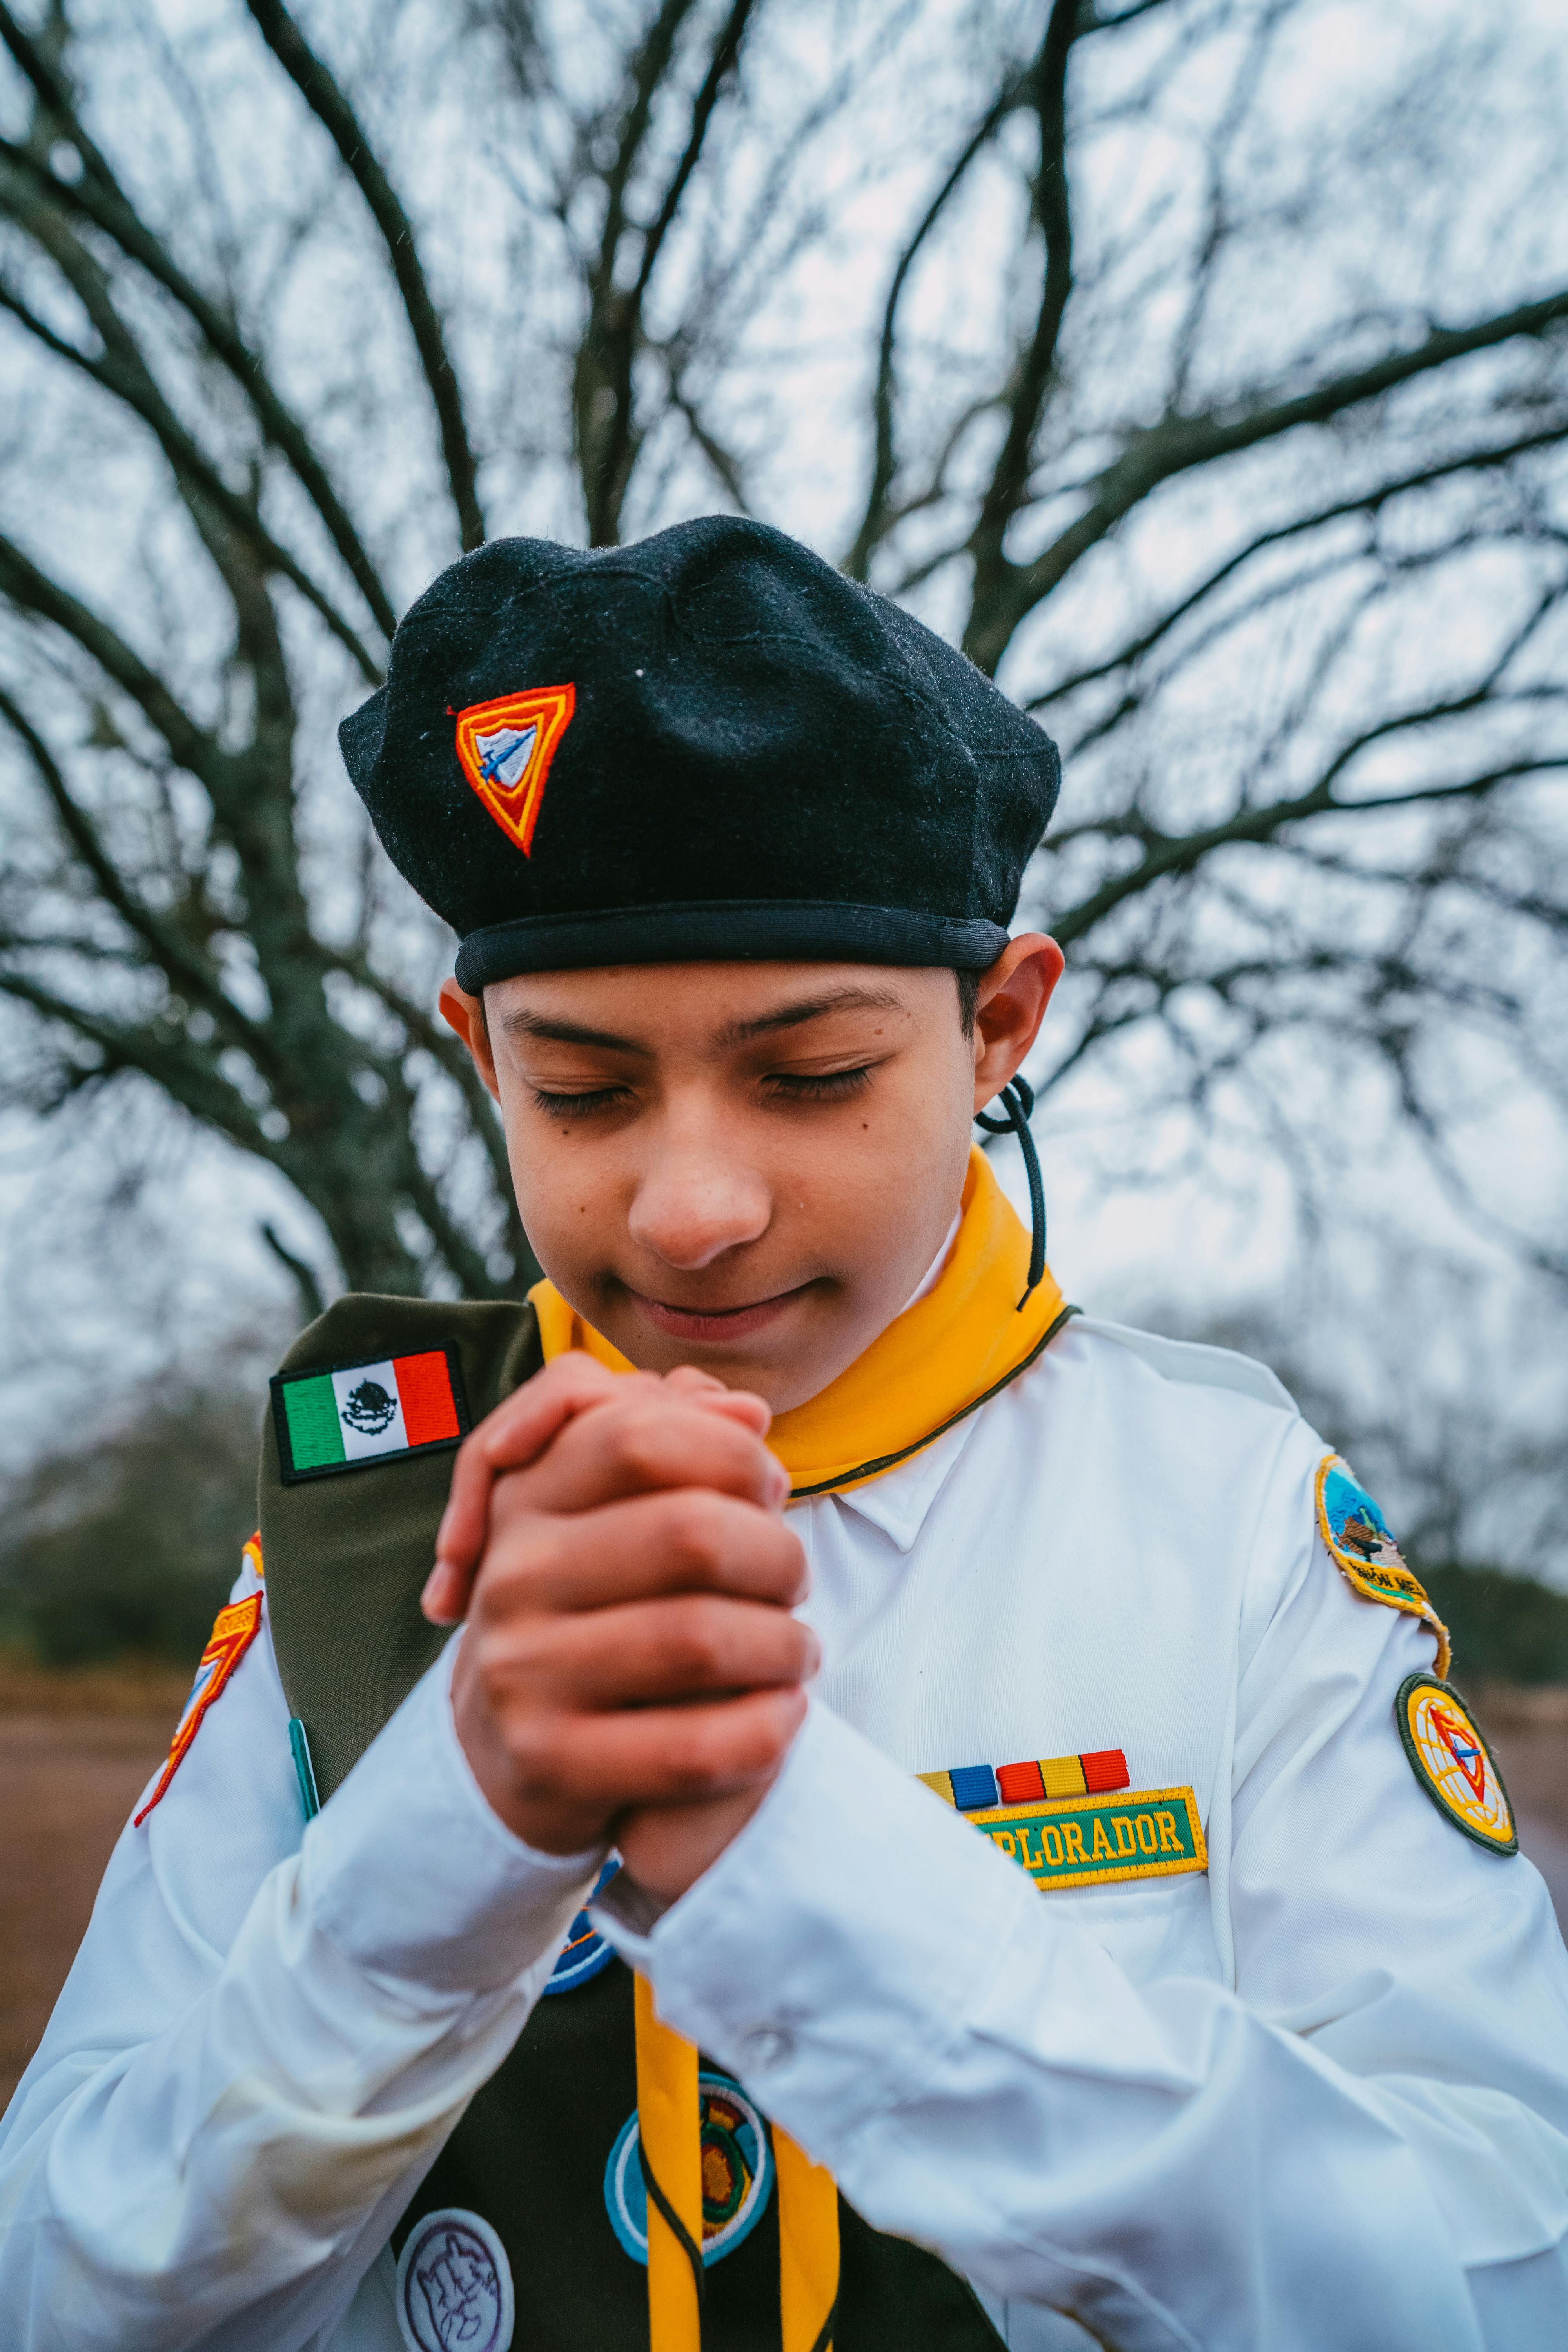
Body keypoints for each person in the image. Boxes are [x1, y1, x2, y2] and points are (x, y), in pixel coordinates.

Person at [2, 516, 1565, 2352]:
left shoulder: (1222, 1510)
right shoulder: (369, 1521)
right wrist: (444, 1839)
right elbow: (56, 2278)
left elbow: (1490, 2273)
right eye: (579, 1089)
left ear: (997, 1025)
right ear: (475, 1053)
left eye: (810, 1076)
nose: (686, 1211)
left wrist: (820, 1890)